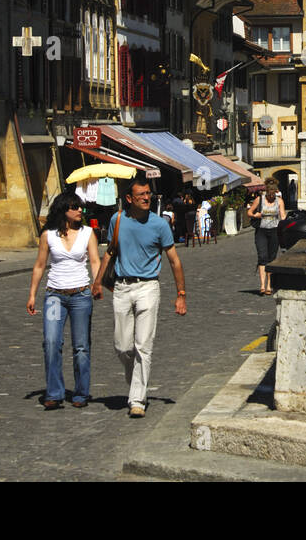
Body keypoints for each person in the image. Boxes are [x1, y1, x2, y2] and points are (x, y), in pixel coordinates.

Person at [94, 178, 187, 418]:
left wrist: (181, 295)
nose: (146, 198)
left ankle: (137, 399)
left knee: (143, 346)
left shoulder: (160, 225)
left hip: (148, 287)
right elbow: (110, 252)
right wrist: (97, 281)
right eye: (141, 195)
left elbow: (174, 261)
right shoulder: (117, 220)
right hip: (122, 287)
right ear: (129, 199)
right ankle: (135, 378)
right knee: (122, 346)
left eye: (148, 194)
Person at [27, 194, 101, 409]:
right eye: (74, 207)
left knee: (81, 347)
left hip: (81, 296)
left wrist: (97, 284)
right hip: (54, 297)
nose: (80, 211)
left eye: (80, 207)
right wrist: (32, 294)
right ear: (63, 209)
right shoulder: (48, 235)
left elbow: (95, 261)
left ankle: (81, 393)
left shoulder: (88, 233)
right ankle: (54, 392)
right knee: (51, 342)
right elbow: (40, 265)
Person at [246, 178, 286, 295]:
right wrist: (256, 215)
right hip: (261, 231)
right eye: (270, 194)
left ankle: (269, 285)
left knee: (272, 258)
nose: (271, 196)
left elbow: (283, 216)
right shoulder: (260, 199)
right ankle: (262, 285)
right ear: (267, 191)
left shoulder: (279, 201)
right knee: (262, 257)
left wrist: (287, 222)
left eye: (273, 194)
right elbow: (249, 212)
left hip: (274, 231)